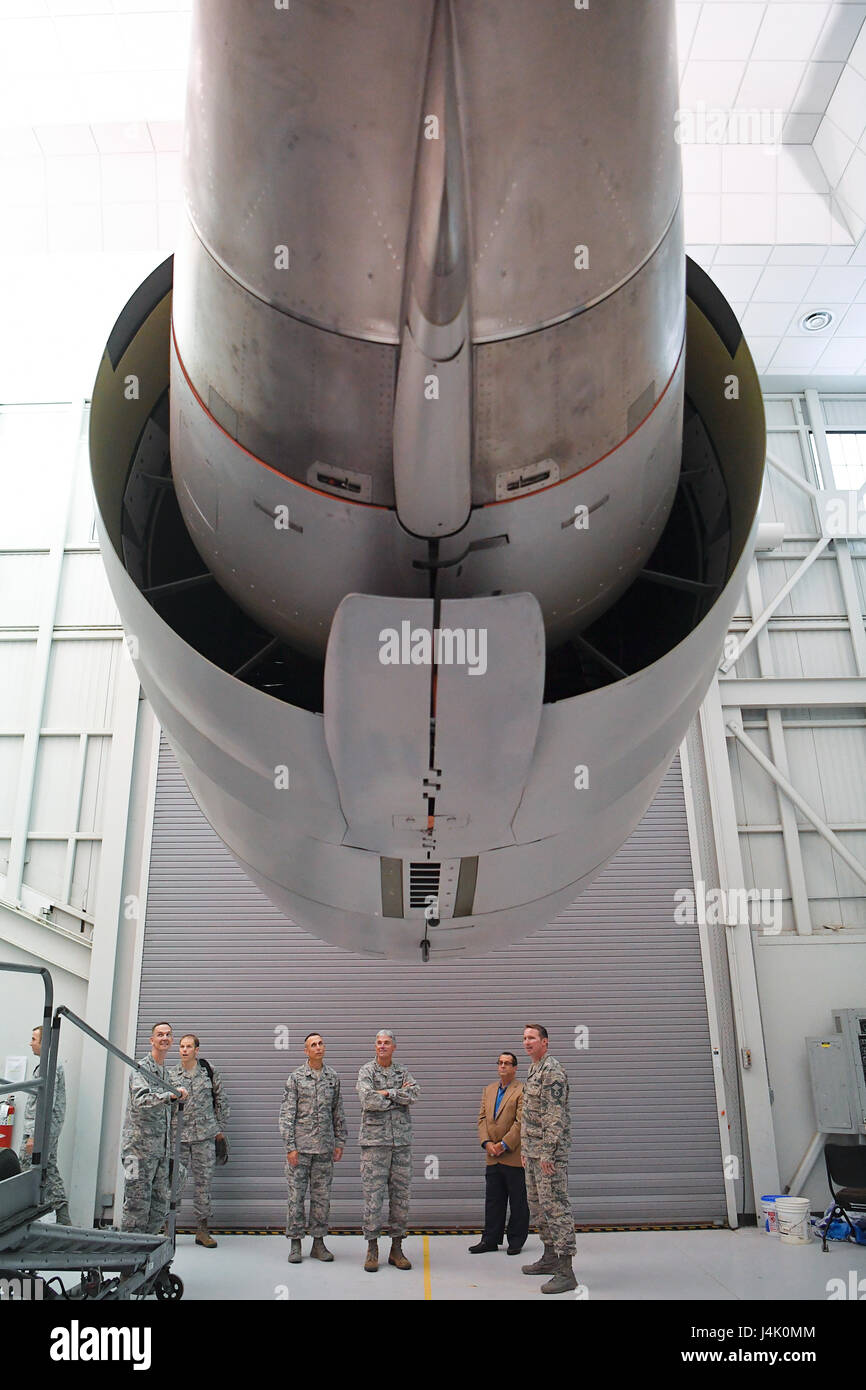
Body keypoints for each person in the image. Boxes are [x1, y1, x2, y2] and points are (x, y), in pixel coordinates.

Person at [279, 1032, 347, 1263]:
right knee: (296, 1197)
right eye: (313, 1045)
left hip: (324, 1149)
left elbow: (338, 1112)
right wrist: (290, 1146)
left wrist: (340, 1142)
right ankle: (295, 1243)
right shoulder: (296, 1078)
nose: (318, 1047)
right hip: (301, 1148)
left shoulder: (332, 1077)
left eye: (320, 1043)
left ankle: (318, 1243)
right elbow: (287, 1114)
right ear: (306, 1051)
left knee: (322, 1198)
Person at [520, 1023, 577, 1294]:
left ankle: (566, 1271)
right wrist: (525, 1150)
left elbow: (554, 1116)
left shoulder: (552, 1071)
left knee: (555, 1207)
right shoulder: (533, 1069)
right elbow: (530, 1114)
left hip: (547, 1155)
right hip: (532, 1153)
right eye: (525, 1038)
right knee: (538, 1207)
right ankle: (550, 1256)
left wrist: (547, 1153)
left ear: (545, 1042)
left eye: (532, 1038)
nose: (527, 1042)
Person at [356, 1030, 419, 1273]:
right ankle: (372, 1248)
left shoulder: (402, 1071)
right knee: (373, 1199)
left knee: (400, 1199)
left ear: (394, 1047)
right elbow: (367, 1100)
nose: (382, 1046)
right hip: (374, 1145)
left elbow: (415, 1093)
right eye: (379, 1043)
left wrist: (387, 1093)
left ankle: (396, 1248)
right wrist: (397, 1096)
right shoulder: (366, 1071)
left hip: (400, 1145)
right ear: (375, 1047)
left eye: (387, 1043)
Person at [120, 1022, 187, 1234]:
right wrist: (170, 1095)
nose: (164, 1038)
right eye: (160, 1034)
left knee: (159, 1207)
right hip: (137, 1153)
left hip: (160, 1152)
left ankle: (147, 1255)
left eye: (168, 1035)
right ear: (152, 1040)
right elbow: (141, 1100)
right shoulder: (141, 1069)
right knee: (136, 1207)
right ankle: (128, 1259)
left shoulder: (165, 1074)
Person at [169, 1033, 230, 1249]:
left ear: (197, 1050)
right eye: (181, 1046)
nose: (184, 1050)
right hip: (179, 1138)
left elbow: (221, 1100)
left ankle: (202, 1230)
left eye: (188, 1046)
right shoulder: (171, 1075)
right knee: (174, 1183)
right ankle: (170, 1230)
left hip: (205, 1137)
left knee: (204, 1184)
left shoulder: (208, 1072)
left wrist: (218, 1129)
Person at [469, 1051, 528, 1255]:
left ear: (514, 1068)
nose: (502, 1066)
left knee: (518, 1200)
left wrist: (503, 1144)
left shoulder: (522, 1090)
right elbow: (482, 1119)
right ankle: (490, 1239)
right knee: (493, 1200)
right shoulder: (489, 1090)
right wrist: (487, 1143)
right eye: (500, 1063)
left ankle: (516, 1240)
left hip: (512, 1155)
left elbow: (521, 1122)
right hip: (492, 1155)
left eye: (507, 1063)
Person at [18, 1025, 70, 1225]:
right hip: (45, 1131)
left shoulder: (49, 1066)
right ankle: (62, 1220)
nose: (30, 1043)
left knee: (32, 1174)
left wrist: (34, 1135)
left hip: (40, 1132)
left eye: (34, 1039)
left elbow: (45, 1102)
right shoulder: (48, 1064)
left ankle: (29, 1224)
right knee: (49, 1173)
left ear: (44, 1042)